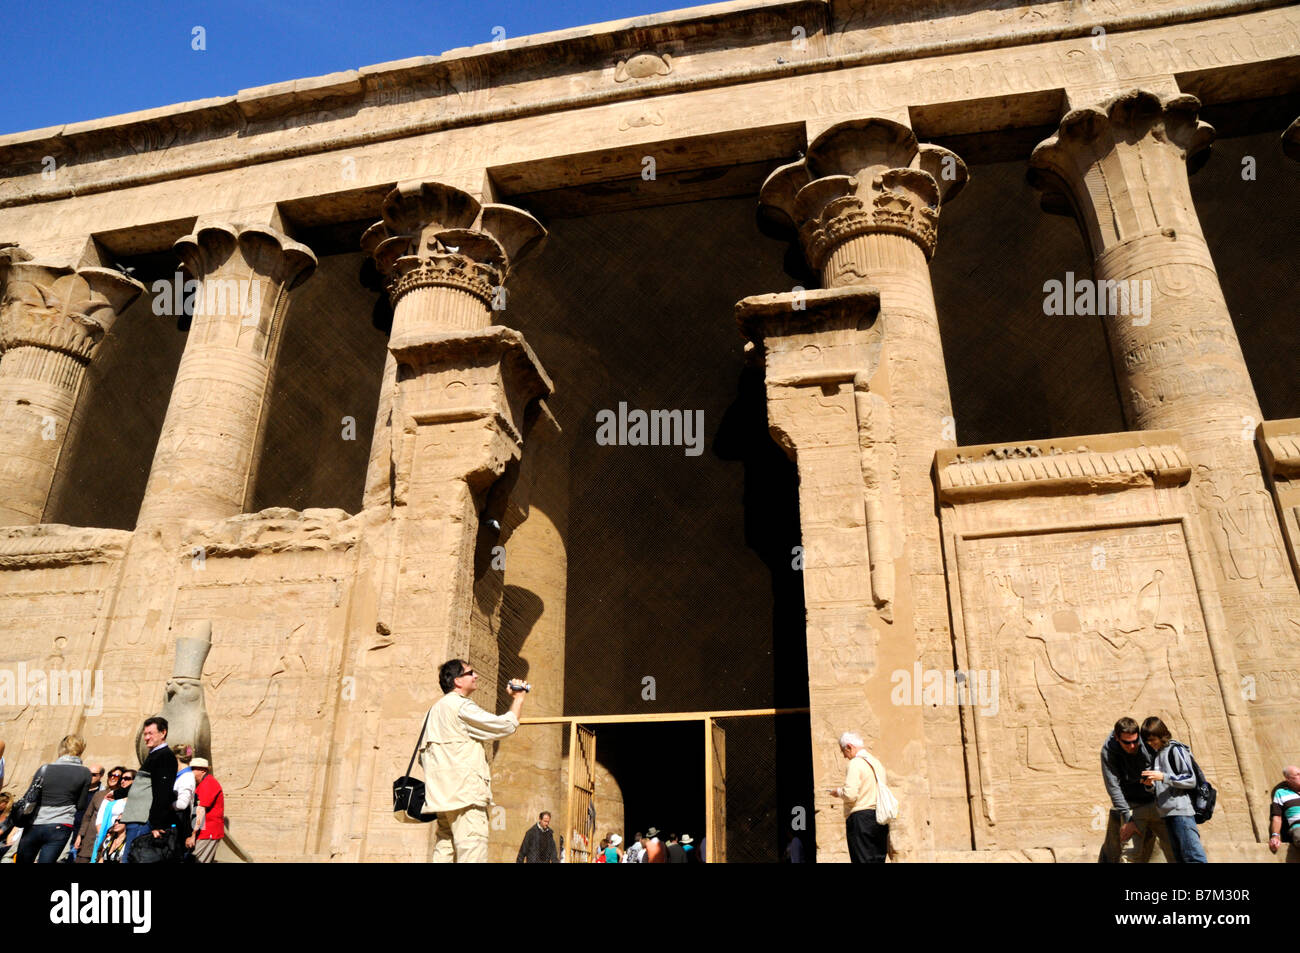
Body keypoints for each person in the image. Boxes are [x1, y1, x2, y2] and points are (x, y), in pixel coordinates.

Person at [420, 659, 527, 863]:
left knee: (444, 851)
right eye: (471, 673)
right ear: (458, 680)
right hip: (465, 795)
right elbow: (503, 726)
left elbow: (422, 757)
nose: (476, 676)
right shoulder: (461, 707)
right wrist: (519, 699)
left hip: (441, 797)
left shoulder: (432, 712)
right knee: (472, 851)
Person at [1099, 716, 1175, 862]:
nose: (1132, 746)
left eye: (1135, 741)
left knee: (1175, 848)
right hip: (1132, 805)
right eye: (1127, 743)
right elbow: (1113, 786)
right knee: (1130, 853)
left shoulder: (1147, 741)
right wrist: (1127, 818)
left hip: (1157, 802)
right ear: (1117, 738)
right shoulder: (1108, 752)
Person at [1138, 717, 1207, 863]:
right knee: (1179, 859)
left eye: (1153, 739)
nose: (1150, 744)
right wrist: (1149, 784)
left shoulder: (1176, 749)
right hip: (1165, 813)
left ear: (1161, 734)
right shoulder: (1156, 755)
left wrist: (1163, 776)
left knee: (1193, 857)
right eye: (1147, 741)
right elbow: (1159, 787)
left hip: (1181, 812)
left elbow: (1190, 779)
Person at [16, 734, 92, 863]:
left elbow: (29, 797)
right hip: (61, 823)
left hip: (36, 822)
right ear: (81, 749)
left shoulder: (45, 769)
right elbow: (81, 805)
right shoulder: (85, 773)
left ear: (61, 748)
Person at [119, 716, 179, 862]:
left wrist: (156, 823)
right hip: (137, 819)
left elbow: (162, 792)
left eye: (150, 733)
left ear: (163, 733)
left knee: (134, 858)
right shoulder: (154, 755)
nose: (146, 738)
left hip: (144, 821)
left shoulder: (164, 756)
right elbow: (143, 786)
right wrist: (116, 793)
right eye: (145, 734)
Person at [832, 731, 889, 863]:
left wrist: (838, 792)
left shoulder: (855, 763)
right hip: (879, 818)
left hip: (861, 819)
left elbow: (850, 794)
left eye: (843, 751)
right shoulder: (877, 763)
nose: (845, 756)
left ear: (849, 747)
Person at [73, 766, 123, 863]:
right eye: (110, 775)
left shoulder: (124, 798)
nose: (112, 778)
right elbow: (87, 816)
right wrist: (80, 835)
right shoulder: (99, 794)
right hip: (90, 838)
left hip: (108, 839)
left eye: (116, 776)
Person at [62, 763, 103, 861]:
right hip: (66, 831)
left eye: (94, 775)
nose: (90, 777)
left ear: (100, 776)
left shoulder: (101, 794)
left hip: (83, 836)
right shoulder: (77, 789)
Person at [187, 757, 224, 863]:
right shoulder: (203, 783)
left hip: (207, 833)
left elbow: (200, 810)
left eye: (192, 769)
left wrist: (193, 834)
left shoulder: (208, 783)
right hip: (205, 832)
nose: (190, 772)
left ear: (203, 770)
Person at [93, 770, 134, 863]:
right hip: (108, 833)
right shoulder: (113, 795)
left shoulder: (137, 800)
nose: (122, 781)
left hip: (126, 835)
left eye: (127, 778)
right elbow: (99, 819)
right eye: (122, 778)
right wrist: (104, 836)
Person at [1268, 765, 1300, 854]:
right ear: (1288, 779)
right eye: (1298, 774)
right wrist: (1275, 836)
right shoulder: (1281, 793)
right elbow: (1277, 817)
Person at [171, 744, 196, 854]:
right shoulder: (181, 776)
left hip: (180, 828)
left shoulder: (186, 777)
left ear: (175, 758)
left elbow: (182, 804)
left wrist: (168, 805)